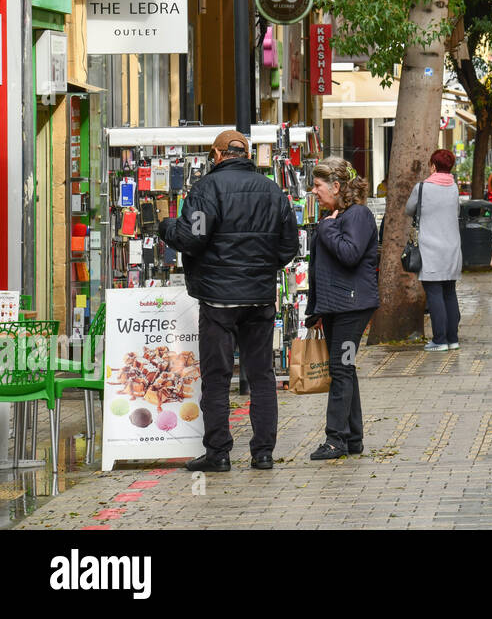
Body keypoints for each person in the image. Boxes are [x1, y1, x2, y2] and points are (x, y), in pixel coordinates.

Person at [158, 130, 299, 473]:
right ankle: (263, 452)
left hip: (219, 300)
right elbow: (289, 246)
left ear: (218, 155)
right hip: (259, 298)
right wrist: (261, 268)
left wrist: (166, 226)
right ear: (245, 154)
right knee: (262, 375)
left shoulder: (207, 189)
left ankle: (218, 452)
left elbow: (193, 237)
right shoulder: (273, 191)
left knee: (217, 376)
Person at [302, 157, 380, 460]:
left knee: (341, 369)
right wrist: (317, 310)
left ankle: (335, 440)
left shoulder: (357, 215)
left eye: (318, 185)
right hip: (338, 305)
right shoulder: (339, 216)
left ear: (336, 186)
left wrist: (327, 229)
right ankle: (352, 438)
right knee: (344, 370)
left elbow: (349, 254)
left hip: (352, 307)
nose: (314, 191)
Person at [405, 148, 463, 351]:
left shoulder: (422, 188)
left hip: (430, 247)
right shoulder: (454, 188)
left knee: (435, 293)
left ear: (433, 165)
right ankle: (453, 338)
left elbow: (409, 210)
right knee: (449, 292)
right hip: (452, 247)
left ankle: (439, 340)